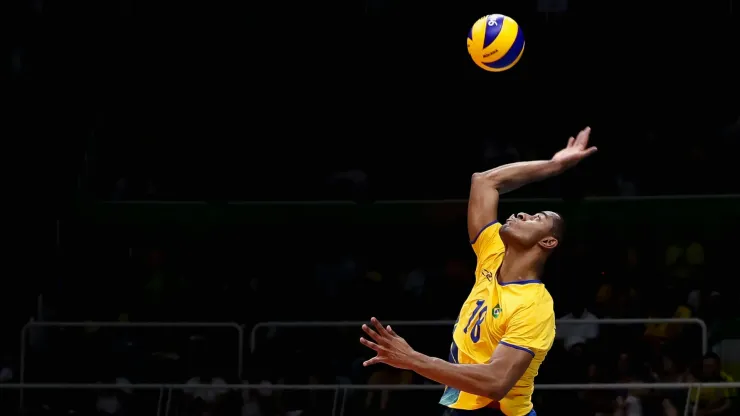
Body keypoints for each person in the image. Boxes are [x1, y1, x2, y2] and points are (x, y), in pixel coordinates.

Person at [359, 127, 598, 416]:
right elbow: (485, 181)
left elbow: (496, 382)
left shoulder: (535, 305)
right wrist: (555, 165)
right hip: (461, 407)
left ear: (547, 242)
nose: (522, 213)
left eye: (536, 218)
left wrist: (412, 359)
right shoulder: (493, 252)